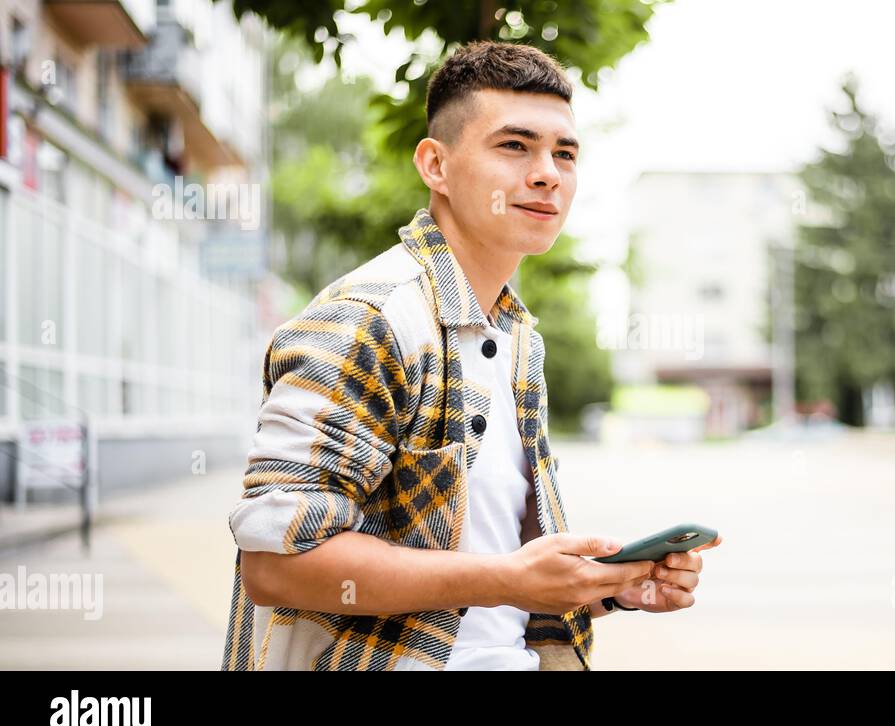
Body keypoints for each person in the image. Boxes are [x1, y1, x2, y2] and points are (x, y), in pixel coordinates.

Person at [221, 41, 721, 671]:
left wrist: (603, 587)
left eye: (565, 153)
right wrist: (506, 579)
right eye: (515, 146)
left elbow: (489, 566)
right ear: (435, 165)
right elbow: (277, 564)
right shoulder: (368, 319)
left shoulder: (517, 339)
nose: (547, 173)